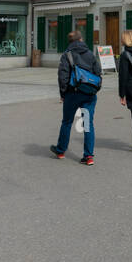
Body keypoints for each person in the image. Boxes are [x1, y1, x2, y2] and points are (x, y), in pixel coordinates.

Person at [51, 30, 102, 164]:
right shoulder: (90, 54)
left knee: (67, 122)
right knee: (88, 124)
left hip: (72, 94)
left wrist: (63, 94)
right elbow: (98, 73)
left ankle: (61, 151)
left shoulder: (67, 55)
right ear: (80, 40)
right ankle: (89, 156)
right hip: (89, 94)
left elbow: (63, 77)